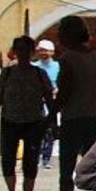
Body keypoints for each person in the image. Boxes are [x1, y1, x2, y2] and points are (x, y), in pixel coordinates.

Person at [41, 16, 96, 191]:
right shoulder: (95, 56)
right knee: (95, 167)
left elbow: (64, 92)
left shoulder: (68, 58)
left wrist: (51, 116)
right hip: (94, 116)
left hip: (73, 118)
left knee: (66, 168)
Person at [0, 36, 54, 191]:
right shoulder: (7, 73)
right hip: (10, 120)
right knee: (7, 162)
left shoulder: (39, 73)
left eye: (25, 49)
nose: (22, 53)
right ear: (15, 51)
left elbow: (48, 97)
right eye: (19, 49)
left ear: (31, 52)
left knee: (30, 164)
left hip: (33, 122)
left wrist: (52, 121)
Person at [34, 38, 59, 168]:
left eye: (46, 51)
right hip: (37, 104)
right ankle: (36, 156)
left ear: (52, 52)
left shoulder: (58, 66)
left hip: (52, 103)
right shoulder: (34, 67)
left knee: (50, 131)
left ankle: (46, 158)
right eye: (41, 50)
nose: (44, 53)